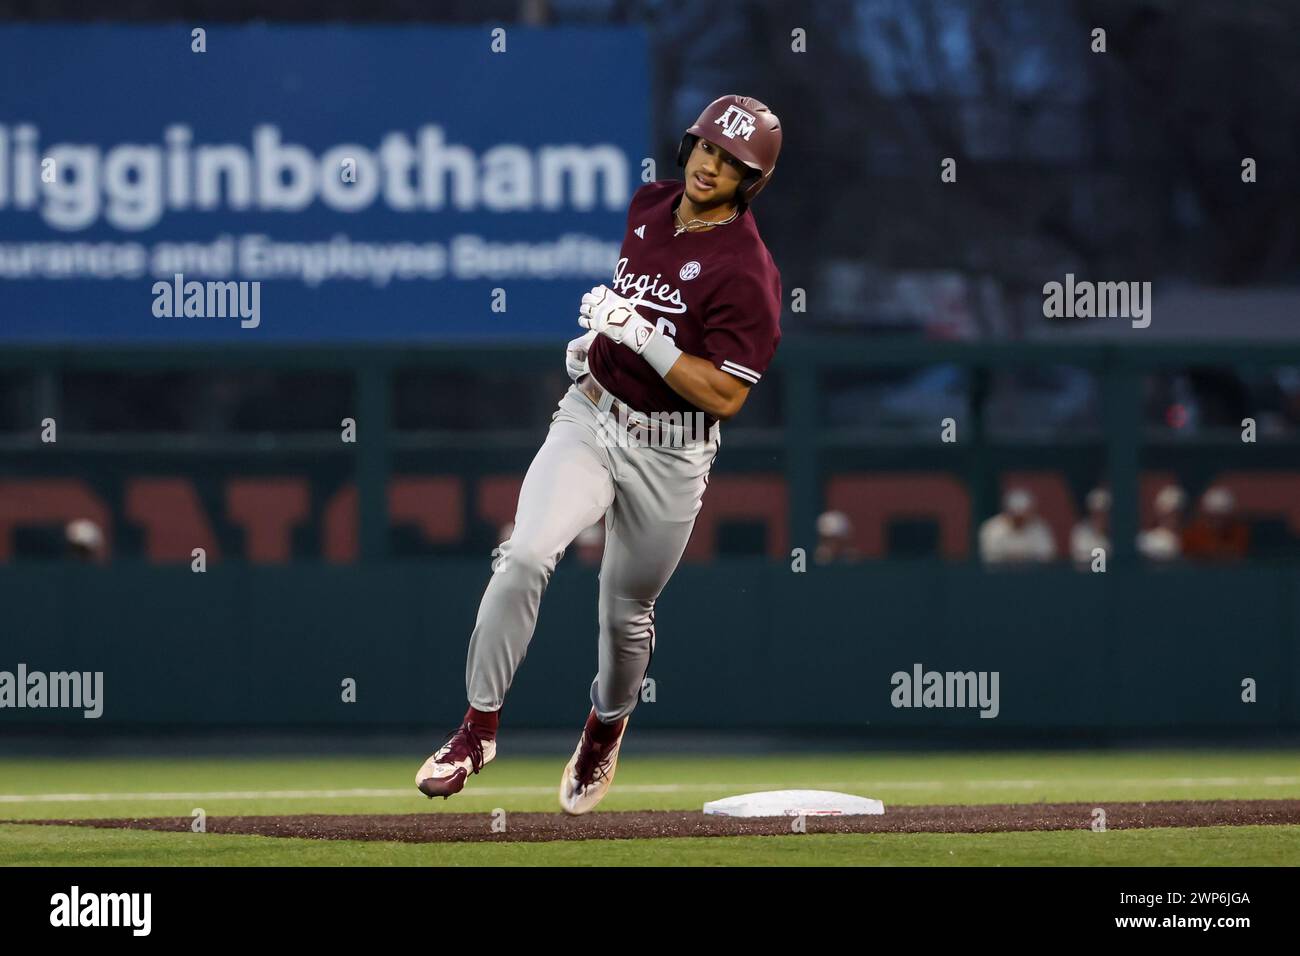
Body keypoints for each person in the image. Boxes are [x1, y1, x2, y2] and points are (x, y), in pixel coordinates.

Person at [416, 95, 783, 814]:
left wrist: (643, 338)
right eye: (706, 148)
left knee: (625, 616)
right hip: (592, 415)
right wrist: (605, 344)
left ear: (752, 179)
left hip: (672, 453)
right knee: (523, 554)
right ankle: (477, 729)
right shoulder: (649, 204)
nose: (710, 165)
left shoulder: (748, 271)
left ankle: (605, 728)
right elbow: (635, 305)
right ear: (689, 146)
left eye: (730, 161)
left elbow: (726, 395)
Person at [978, 488, 1056, 565]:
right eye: (1016, 517)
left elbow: (1047, 557)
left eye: (1023, 516)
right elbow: (990, 558)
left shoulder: (1040, 528)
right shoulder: (992, 528)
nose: (1020, 521)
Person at [1182, 486, 1250, 562]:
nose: (1218, 521)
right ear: (1206, 515)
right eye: (1213, 517)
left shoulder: (1239, 533)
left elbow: (1239, 553)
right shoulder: (1192, 534)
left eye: (1222, 516)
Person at [1138, 483, 1185, 561]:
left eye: (1176, 513)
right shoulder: (1147, 539)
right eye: (1169, 514)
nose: (1173, 518)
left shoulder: (1188, 537)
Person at [1070, 487, 1111, 568]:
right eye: (1096, 513)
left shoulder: (1118, 531)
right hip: (1088, 578)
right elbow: (1096, 567)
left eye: (1103, 513)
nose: (1100, 516)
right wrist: (1099, 534)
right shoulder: (1080, 532)